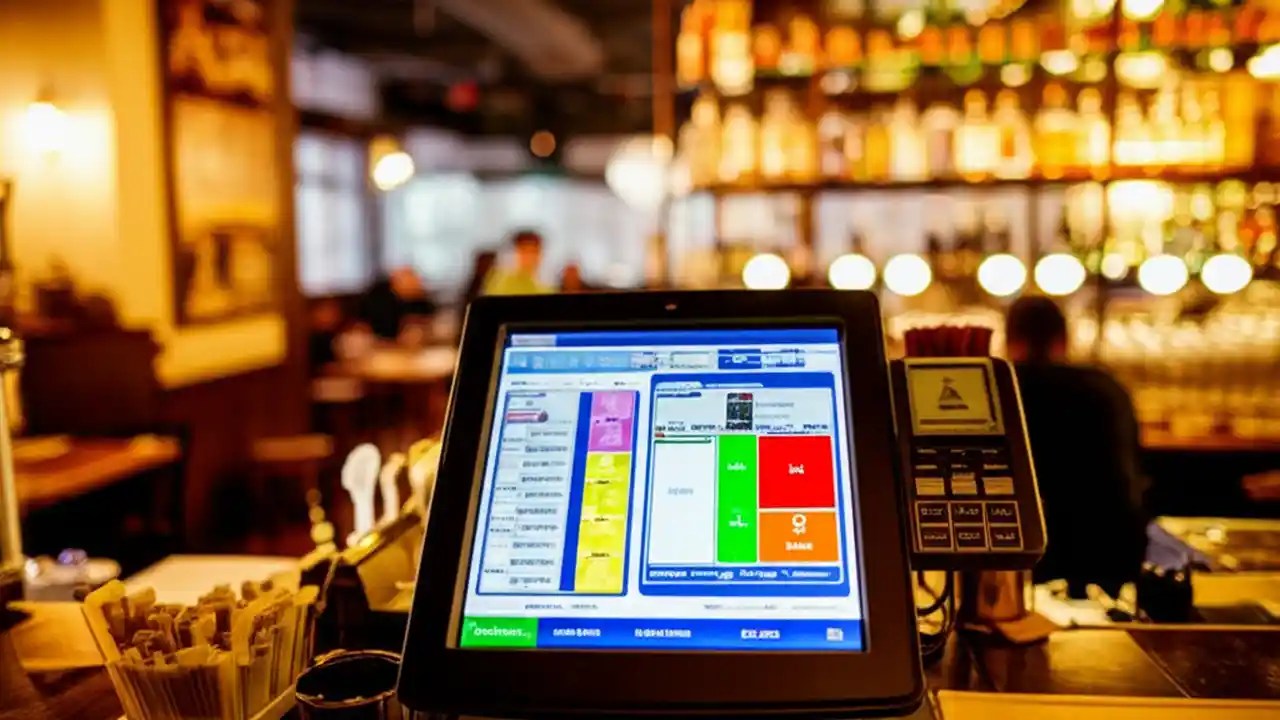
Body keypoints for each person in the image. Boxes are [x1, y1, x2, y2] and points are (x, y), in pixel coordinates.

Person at [1005, 296, 1148, 597]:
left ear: (1009, 339)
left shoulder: (1004, 389)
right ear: (1064, 339)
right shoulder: (1105, 387)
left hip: (1032, 558)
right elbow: (1134, 469)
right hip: (1112, 551)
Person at [359, 266, 437, 340]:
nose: (416, 282)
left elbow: (429, 319)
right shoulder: (379, 300)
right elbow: (382, 332)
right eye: (407, 278)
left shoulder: (418, 300)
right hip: (382, 346)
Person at [483, 230, 550, 296]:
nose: (529, 257)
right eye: (524, 252)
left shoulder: (545, 288)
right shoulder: (501, 282)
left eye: (533, 252)